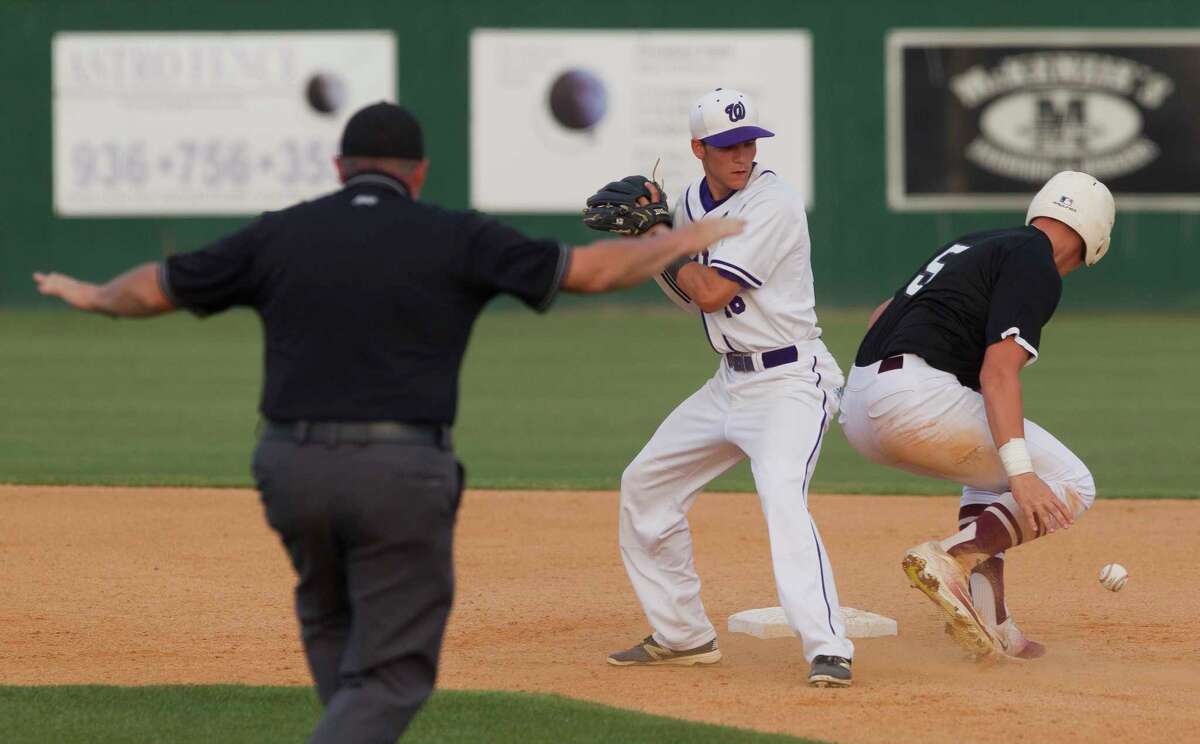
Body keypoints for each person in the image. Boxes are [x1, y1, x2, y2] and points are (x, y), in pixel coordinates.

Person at [32, 102, 742, 743]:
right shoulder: (454, 236)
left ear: (339, 167)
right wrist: (681, 237)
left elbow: (155, 288)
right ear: (420, 173)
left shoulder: (283, 232)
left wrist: (90, 293)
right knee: (394, 675)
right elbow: (590, 270)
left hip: (289, 467)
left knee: (330, 627)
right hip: (400, 473)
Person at [602, 88, 856, 687]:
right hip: (729, 382)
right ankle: (683, 635)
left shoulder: (774, 203)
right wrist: (653, 241)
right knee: (646, 485)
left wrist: (659, 238)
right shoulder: (690, 202)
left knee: (781, 495)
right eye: (726, 146)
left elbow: (712, 291)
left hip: (793, 380)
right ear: (699, 149)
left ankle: (828, 648)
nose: (741, 154)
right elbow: (684, 292)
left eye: (748, 142)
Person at [838, 171, 1114, 661]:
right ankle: (951, 559)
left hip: (860, 404)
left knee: (991, 478)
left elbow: (882, 314)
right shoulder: (1037, 263)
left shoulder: (976, 243)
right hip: (913, 400)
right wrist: (1024, 475)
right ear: (1095, 239)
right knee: (1073, 482)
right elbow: (999, 373)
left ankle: (992, 621)